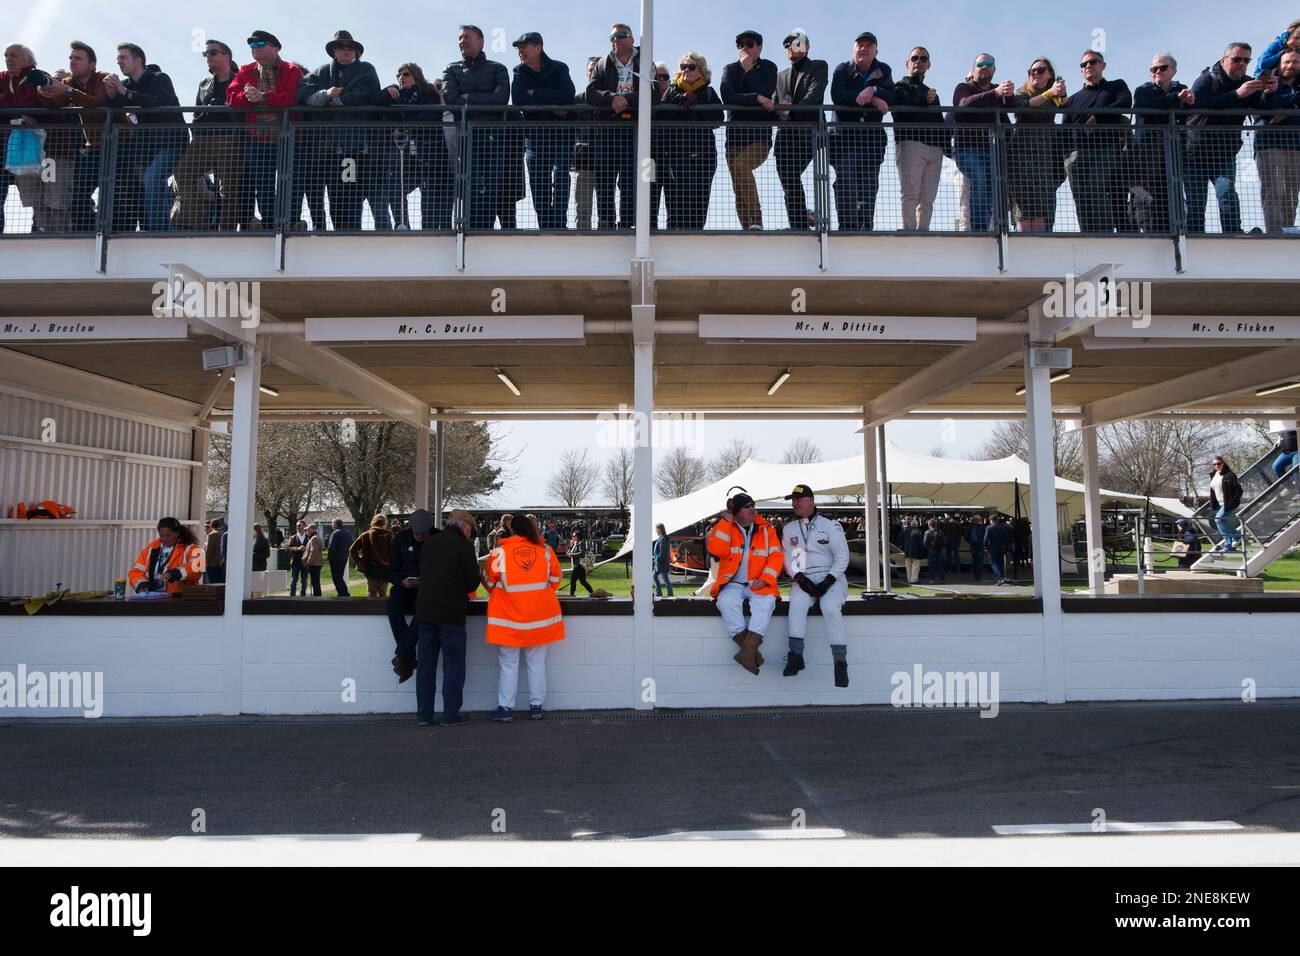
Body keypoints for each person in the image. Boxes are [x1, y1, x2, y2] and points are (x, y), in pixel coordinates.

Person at [482, 514, 564, 722]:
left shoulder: (498, 552)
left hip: (508, 619)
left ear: (511, 529)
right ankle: (537, 706)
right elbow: (555, 580)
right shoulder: (546, 551)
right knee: (537, 663)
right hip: (540, 618)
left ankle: (506, 708)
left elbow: (488, 583)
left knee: (508, 663)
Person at [297, 31, 381, 232]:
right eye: (341, 46)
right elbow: (305, 94)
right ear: (334, 50)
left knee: (352, 193)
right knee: (334, 193)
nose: (346, 50)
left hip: (355, 145)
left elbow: (366, 95)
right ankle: (336, 232)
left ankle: (351, 233)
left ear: (356, 51)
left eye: (349, 47)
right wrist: (325, 94)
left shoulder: (366, 69)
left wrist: (334, 101)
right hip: (327, 146)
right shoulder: (322, 71)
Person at [1186, 43, 1273, 234]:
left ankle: (1233, 232)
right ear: (1223, 60)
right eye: (1236, 59)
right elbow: (1199, 105)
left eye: (1246, 60)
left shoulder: (1248, 83)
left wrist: (1267, 93)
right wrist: (1236, 94)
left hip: (1224, 152)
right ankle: (1194, 237)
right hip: (1194, 153)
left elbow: (1263, 110)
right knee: (1196, 200)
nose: (1241, 64)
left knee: (1227, 194)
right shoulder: (1206, 80)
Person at [103, 43, 185, 233]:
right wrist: (111, 94)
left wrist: (124, 93)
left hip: (172, 142)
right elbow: (115, 107)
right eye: (117, 58)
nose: (118, 62)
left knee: (152, 178)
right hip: (146, 146)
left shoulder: (160, 78)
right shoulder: (126, 85)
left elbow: (159, 102)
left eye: (123, 57)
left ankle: (159, 232)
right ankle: (160, 227)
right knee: (152, 184)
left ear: (138, 60)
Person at [227, 31, 304, 230]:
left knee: (292, 183)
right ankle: (269, 223)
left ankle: (292, 222)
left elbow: (291, 97)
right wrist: (248, 98)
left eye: (260, 43)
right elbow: (232, 98)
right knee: (263, 184)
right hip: (258, 137)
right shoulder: (245, 71)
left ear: (275, 47)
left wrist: (263, 98)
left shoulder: (291, 70)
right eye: (252, 44)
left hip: (289, 137)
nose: (255, 47)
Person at [412, 509, 480, 727]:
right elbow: (471, 583)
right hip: (451, 614)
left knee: (425, 666)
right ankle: (450, 714)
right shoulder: (464, 546)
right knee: (453, 665)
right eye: (471, 530)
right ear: (465, 526)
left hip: (425, 612)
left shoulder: (430, 543)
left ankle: (424, 714)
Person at [35, 42, 109, 232]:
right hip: (92, 148)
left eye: (78, 58)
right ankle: (87, 234)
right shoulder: (68, 83)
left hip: (120, 144)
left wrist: (66, 91)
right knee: (79, 195)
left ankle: (111, 233)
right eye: (70, 58)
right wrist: (45, 92)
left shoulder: (103, 78)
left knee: (119, 192)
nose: (72, 61)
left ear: (92, 64)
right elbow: (55, 105)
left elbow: (95, 102)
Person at [780, 484, 850, 687]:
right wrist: (800, 578)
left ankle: (840, 663)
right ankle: (795, 656)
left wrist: (829, 580)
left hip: (832, 578)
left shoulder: (831, 525)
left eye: (798, 499)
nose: (794, 503)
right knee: (797, 604)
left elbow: (842, 556)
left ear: (810, 501)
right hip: (804, 578)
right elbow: (788, 558)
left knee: (829, 607)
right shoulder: (789, 528)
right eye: (792, 500)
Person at [708, 489, 783, 675]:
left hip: (759, 582)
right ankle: (751, 654)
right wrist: (725, 523)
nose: (753, 509)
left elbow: (776, 556)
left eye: (754, 506)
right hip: (732, 583)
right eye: (748, 507)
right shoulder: (725, 527)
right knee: (726, 603)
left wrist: (765, 580)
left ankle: (747, 653)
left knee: (765, 604)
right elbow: (717, 550)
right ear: (737, 511)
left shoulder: (768, 530)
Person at [444, 24, 511, 230]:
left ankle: (485, 229)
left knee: (491, 185)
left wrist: (469, 97)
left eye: (467, 37)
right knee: (469, 183)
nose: (462, 41)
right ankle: (469, 228)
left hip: (493, 134)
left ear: (481, 41)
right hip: (466, 136)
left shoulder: (498, 68)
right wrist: (486, 98)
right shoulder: (451, 69)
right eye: (460, 38)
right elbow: (451, 100)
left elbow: (501, 99)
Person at [171, 39, 243, 231]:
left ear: (226, 56)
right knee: (182, 174)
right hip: (203, 139)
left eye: (212, 53)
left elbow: (244, 111)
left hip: (229, 138)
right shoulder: (204, 83)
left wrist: (224, 108)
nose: (208, 57)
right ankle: (201, 225)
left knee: (227, 188)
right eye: (206, 54)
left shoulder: (239, 80)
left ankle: (226, 230)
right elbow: (196, 112)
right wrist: (197, 130)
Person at [372, 63, 453, 230]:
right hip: (406, 157)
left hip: (431, 155)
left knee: (431, 197)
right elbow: (374, 103)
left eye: (406, 74)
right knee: (395, 187)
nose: (401, 78)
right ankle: (402, 225)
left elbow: (430, 115)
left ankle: (437, 231)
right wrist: (387, 90)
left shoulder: (428, 92)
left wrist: (402, 126)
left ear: (416, 76)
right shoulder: (395, 95)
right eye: (398, 75)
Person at [829, 31, 894, 231]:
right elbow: (838, 96)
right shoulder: (842, 69)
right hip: (844, 141)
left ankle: (866, 226)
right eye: (860, 45)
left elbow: (892, 95)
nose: (863, 48)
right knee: (846, 182)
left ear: (876, 50)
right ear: (853, 48)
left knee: (868, 185)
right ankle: (847, 226)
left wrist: (873, 90)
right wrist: (872, 99)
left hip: (871, 142)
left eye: (868, 45)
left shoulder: (883, 70)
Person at [511, 32, 575, 230]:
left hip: (561, 137)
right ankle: (546, 226)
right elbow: (519, 100)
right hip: (534, 139)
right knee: (539, 185)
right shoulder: (519, 71)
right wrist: (552, 106)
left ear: (538, 47)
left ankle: (558, 225)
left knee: (561, 177)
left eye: (525, 46)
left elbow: (567, 96)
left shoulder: (559, 68)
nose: (520, 51)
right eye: (518, 47)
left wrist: (536, 94)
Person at [1063, 50, 1131, 234]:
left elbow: (1126, 102)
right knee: (1080, 197)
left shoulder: (1116, 86)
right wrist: (1066, 156)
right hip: (1076, 155)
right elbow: (1064, 129)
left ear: (1103, 65)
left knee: (1095, 188)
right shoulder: (1074, 98)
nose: (1088, 66)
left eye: (1092, 62)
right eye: (1083, 64)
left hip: (1105, 148)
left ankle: (1105, 235)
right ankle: (1088, 234)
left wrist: (1097, 117)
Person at [720, 30, 778, 231]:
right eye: (740, 44)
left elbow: (766, 92)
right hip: (735, 139)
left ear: (759, 47)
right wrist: (755, 99)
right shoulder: (729, 69)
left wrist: (749, 70)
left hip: (759, 138)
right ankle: (747, 227)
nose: (744, 47)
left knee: (742, 166)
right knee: (739, 185)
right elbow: (728, 97)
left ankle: (756, 218)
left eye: (750, 43)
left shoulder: (769, 67)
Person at [1132, 52, 1195, 234]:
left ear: (1173, 71)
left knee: (1170, 191)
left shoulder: (1182, 88)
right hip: (1145, 153)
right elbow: (1145, 107)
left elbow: (1187, 115)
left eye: (1162, 67)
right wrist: (1177, 99)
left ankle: (1174, 230)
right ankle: (1145, 228)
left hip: (1172, 152)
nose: (1157, 71)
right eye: (1154, 68)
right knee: (1142, 192)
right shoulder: (1143, 90)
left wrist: (1188, 103)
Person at [587, 23, 642, 230]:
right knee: (605, 179)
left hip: (633, 128)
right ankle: (606, 222)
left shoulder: (644, 62)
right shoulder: (603, 63)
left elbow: (654, 95)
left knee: (630, 179)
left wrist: (625, 99)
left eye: (620, 36)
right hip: (607, 129)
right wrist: (611, 98)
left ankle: (628, 222)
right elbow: (591, 93)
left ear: (631, 39)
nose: (615, 40)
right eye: (612, 38)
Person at [660, 52, 723, 230]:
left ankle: (694, 246)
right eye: (683, 67)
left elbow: (718, 118)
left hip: (704, 157)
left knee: (699, 205)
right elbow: (662, 118)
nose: (686, 70)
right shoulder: (672, 90)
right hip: (676, 156)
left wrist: (696, 105)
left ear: (701, 72)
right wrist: (681, 100)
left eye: (691, 67)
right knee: (676, 206)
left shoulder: (708, 92)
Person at [952, 54, 1014, 232]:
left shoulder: (998, 90)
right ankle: (979, 228)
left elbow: (1013, 109)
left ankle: (997, 226)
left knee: (995, 184)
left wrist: (1008, 94)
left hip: (993, 148)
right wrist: (995, 93)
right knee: (980, 180)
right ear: (973, 69)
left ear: (994, 70)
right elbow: (963, 104)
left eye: (989, 64)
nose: (985, 66)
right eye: (980, 64)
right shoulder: (963, 87)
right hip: (968, 149)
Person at [773, 29, 827, 230]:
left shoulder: (818, 66)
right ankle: (801, 220)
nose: (791, 48)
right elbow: (773, 103)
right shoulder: (780, 76)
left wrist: (791, 109)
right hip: (784, 136)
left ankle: (799, 223)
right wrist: (779, 111)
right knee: (788, 180)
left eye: (796, 43)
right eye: (787, 45)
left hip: (807, 134)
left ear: (806, 47)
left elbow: (815, 94)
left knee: (790, 175)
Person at [2, 45, 57, 233]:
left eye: (14, 55)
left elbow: (31, 102)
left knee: (53, 198)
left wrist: (8, 102)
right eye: (6, 55)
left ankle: (52, 237)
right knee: (32, 197)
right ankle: (38, 231)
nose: (8, 59)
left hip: (50, 152)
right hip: (17, 151)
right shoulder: (3, 78)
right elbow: (23, 105)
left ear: (28, 59)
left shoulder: (38, 76)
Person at [1009, 57, 1067, 233]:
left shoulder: (1053, 96)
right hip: (1021, 157)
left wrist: (1061, 93)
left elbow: (1063, 107)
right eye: (1032, 70)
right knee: (1023, 210)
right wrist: (1049, 93)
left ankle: (1040, 254)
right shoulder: (1021, 92)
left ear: (1050, 74)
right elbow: (1023, 106)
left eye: (1041, 70)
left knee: (1042, 208)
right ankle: (1023, 252)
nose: (1035, 73)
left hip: (1045, 157)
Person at [892, 46, 947, 231]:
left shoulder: (932, 93)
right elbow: (900, 113)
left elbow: (939, 121)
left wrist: (947, 147)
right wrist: (925, 101)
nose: (918, 61)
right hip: (911, 144)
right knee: (910, 193)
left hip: (934, 150)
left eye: (923, 59)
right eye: (914, 58)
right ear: (907, 63)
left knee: (928, 198)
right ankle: (909, 232)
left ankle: (923, 233)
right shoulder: (899, 86)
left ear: (929, 65)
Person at [387, 510, 435, 679]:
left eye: (423, 534)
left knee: (424, 609)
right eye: (416, 533)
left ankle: (403, 655)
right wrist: (401, 582)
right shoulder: (401, 539)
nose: (419, 537)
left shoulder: (438, 539)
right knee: (393, 604)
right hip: (405, 585)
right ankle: (408, 656)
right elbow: (391, 571)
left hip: (430, 589)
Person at [1257, 51, 1300, 233]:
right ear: (1279, 63)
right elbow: (1266, 107)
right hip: (1270, 144)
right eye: (1287, 62)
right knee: (1273, 191)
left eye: (1296, 62)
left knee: (1291, 194)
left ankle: (1287, 230)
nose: (1290, 65)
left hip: (1296, 145)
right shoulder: (1268, 82)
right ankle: (1274, 233)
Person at [127, 517, 204, 594]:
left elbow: (198, 568)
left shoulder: (193, 549)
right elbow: (135, 571)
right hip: (152, 597)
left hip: (180, 598)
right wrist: (142, 584)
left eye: (168, 535)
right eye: (162, 535)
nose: (165, 538)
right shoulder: (149, 550)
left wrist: (176, 573)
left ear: (177, 533)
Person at [571, 57, 601, 229]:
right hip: (582, 161)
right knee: (582, 209)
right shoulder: (577, 100)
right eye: (590, 69)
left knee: (607, 205)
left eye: (595, 69)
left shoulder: (611, 100)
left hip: (606, 160)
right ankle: (582, 238)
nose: (592, 72)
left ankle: (608, 235)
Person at [349, 513, 394, 597]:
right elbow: (395, 553)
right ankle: (382, 610)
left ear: (373, 522)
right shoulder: (389, 535)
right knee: (383, 594)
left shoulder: (365, 535)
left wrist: (360, 562)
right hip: (385, 569)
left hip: (370, 568)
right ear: (385, 523)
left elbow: (352, 550)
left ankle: (371, 610)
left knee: (371, 594)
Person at [1208, 456, 1244, 552]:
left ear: (1223, 463)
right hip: (1218, 504)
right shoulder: (1213, 475)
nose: (1217, 465)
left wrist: (1232, 502)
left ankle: (1237, 536)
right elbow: (1213, 491)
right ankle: (1228, 545)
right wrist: (1213, 503)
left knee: (1218, 520)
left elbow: (1239, 491)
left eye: (1219, 463)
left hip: (1228, 503)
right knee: (1220, 522)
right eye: (1214, 464)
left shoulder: (1229, 475)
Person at [327, 518, 354, 596]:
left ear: (335, 524)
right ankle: (344, 593)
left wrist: (330, 558)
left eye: (332, 523)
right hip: (344, 558)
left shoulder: (335, 533)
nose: (331, 525)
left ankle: (343, 593)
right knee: (339, 577)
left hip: (335, 559)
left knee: (336, 578)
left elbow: (331, 547)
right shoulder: (348, 533)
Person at [983, 513, 1013, 584]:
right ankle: (1001, 577)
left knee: (993, 563)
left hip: (992, 548)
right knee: (1000, 563)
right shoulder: (1003, 527)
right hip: (1001, 548)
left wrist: (985, 547)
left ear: (991, 520)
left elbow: (985, 539)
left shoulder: (989, 528)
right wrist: (1007, 548)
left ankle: (1000, 577)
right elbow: (1006, 539)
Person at [568, 530, 594, 595]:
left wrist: (572, 554)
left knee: (573, 580)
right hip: (577, 565)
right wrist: (570, 546)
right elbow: (570, 552)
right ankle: (592, 593)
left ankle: (571, 595)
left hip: (580, 565)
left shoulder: (581, 543)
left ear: (578, 537)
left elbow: (582, 553)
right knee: (583, 581)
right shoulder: (575, 544)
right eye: (572, 536)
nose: (572, 537)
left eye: (574, 536)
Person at [286, 519, 309, 595]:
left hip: (305, 562)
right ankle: (292, 595)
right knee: (293, 580)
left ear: (304, 526)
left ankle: (303, 595)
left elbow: (312, 549)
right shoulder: (293, 537)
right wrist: (297, 548)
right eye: (296, 526)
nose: (297, 527)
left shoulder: (309, 537)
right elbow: (288, 548)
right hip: (295, 562)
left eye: (299, 526)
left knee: (304, 580)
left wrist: (305, 549)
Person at [652, 522, 674, 596]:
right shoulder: (661, 537)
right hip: (659, 562)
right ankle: (659, 592)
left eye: (656, 528)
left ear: (659, 529)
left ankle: (670, 594)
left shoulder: (663, 538)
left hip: (661, 562)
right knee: (654, 576)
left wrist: (657, 558)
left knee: (665, 579)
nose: (655, 530)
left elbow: (663, 552)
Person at [923, 518, 947, 584]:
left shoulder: (927, 532)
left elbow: (925, 543)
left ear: (929, 525)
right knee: (941, 566)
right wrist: (942, 548)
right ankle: (942, 579)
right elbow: (944, 542)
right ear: (935, 524)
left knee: (931, 566)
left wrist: (927, 549)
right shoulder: (940, 531)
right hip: (939, 551)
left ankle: (932, 580)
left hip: (931, 551)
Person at [902, 518, 926, 584]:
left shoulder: (905, 531)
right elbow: (921, 542)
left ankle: (909, 579)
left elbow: (900, 539)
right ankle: (914, 579)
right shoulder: (919, 531)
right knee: (916, 565)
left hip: (907, 551)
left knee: (908, 566)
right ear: (917, 525)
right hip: (916, 551)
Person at [303, 525, 324, 595]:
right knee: (315, 582)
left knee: (315, 582)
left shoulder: (314, 538)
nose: (306, 531)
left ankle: (317, 597)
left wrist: (309, 561)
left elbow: (313, 551)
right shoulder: (314, 537)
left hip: (314, 564)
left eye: (308, 529)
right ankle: (317, 596)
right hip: (315, 564)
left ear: (313, 529)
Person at [205, 517, 226, 584]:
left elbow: (209, 550)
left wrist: (205, 561)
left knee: (212, 583)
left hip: (212, 563)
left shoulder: (212, 534)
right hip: (221, 562)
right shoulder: (223, 533)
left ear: (212, 525)